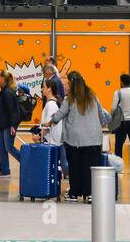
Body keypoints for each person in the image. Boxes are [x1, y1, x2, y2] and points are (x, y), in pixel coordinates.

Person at [44, 71, 111, 202]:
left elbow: (59, 115)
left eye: (68, 84)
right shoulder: (93, 97)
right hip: (94, 139)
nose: (66, 86)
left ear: (72, 85)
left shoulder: (69, 99)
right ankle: (90, 194)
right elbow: (102, 118)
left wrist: (49, 122)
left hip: (74, 141)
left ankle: (74, 193)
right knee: (91, 167)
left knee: (75, 167)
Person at [0, 70, 21, 180]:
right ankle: (4, 170)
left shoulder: (8, 92)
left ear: (4, 79)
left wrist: (13, 125)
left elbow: (12, 111)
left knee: (9, 147)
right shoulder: (4, 91)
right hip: (4, 124)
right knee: (2, 147)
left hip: (9, 125)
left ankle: (27, 162)